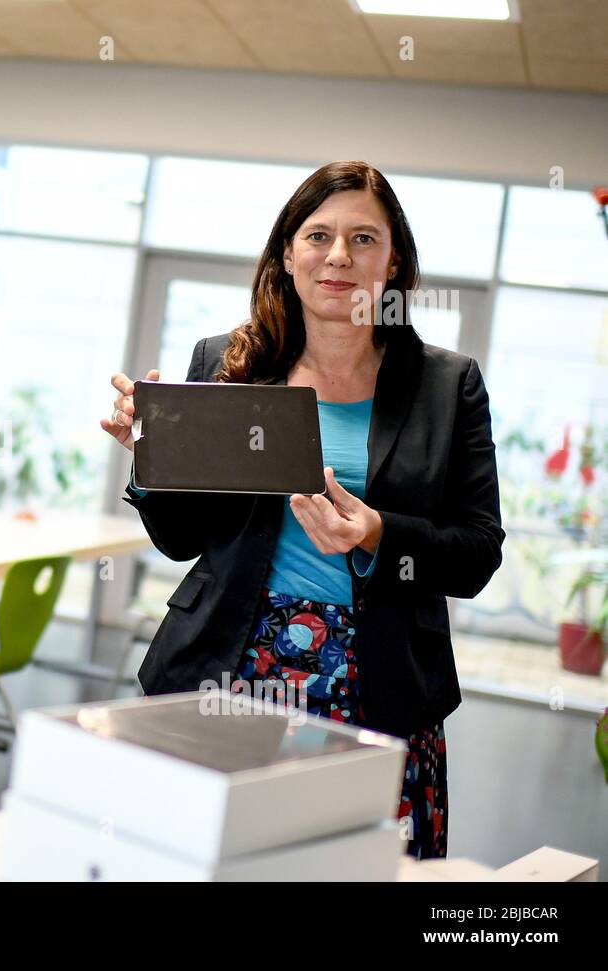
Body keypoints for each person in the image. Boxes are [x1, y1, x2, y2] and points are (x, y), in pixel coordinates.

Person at [102, 160, 503, 860]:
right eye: (318, 235)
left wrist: (379, 532)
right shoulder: (229, 362)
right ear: (288, 253)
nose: (339, 256)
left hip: (380, 680)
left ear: (395, 261)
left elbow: (476, 552)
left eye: (364, 239)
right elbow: (182, 538)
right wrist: (152, 455)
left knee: (356, 868)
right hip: (231, 663)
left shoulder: (448, 385)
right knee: (201, 863)